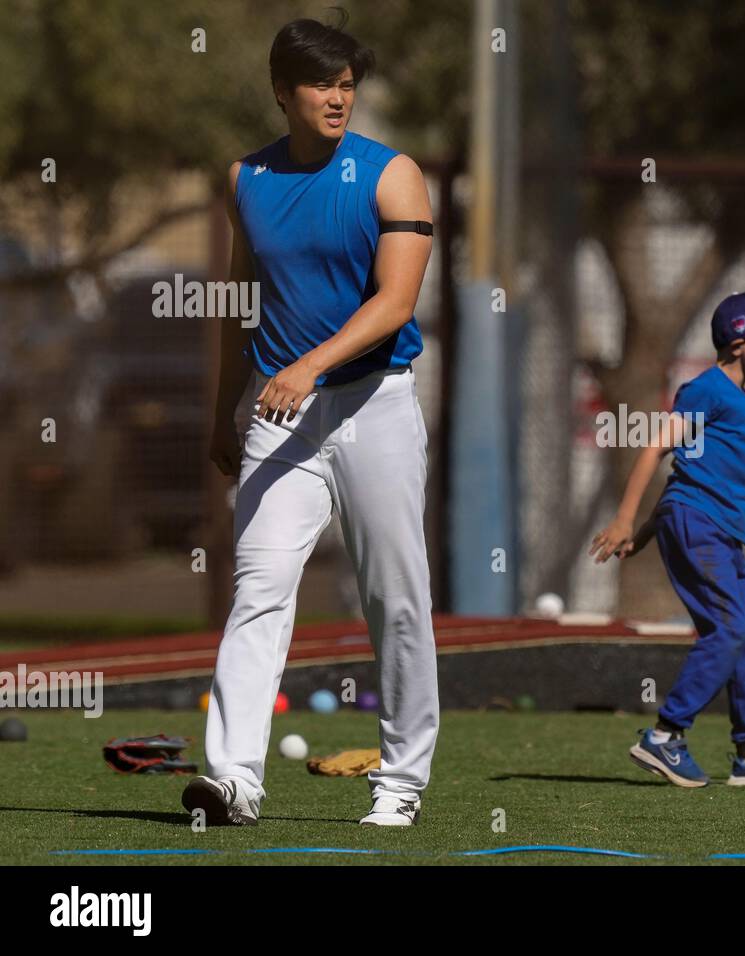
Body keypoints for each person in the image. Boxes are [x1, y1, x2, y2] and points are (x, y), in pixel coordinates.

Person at [183, 15, 439, 826]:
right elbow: (238, 301)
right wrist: (230, 405)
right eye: (322, 85)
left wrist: (307, 366)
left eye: (347, 85)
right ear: (282, 92)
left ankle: (400, 782)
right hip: (276, 416)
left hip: (376, 403)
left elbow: (395, 302)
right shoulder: (246, 178)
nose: (338, 98)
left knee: (394, 597)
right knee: (257, 590)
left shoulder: (392, 175)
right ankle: (233, 781)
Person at [591, 291, 745, 788]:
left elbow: (688, 470)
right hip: (701, 526)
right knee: (730, 629)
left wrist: (648, 530)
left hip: (711, 529)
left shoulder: (735, 398)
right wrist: (626, 519)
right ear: (738, 341)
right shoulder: (707, 390)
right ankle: (665, 736)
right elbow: (656, 447)